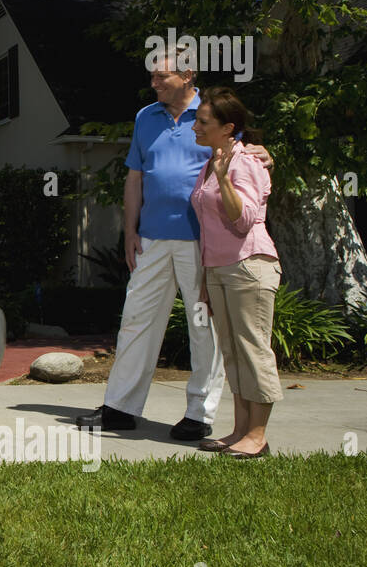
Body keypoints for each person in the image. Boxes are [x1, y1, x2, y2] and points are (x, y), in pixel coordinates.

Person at [77, 50, 272, 440]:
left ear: (188, 75)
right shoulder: (145, 117)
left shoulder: (211, 114)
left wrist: (266, 155)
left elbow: (250, 155)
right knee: (136, 320)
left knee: (204, 328)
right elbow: (135, 177)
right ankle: (121, 406)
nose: (154, 83)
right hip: (151, 236)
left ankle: (199, 414)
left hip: (202, 240)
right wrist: (129, 230)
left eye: (162, 76)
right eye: (152, 76)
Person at [190, 88, 282, 458]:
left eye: (202, 122)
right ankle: (240, 430)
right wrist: (206, 280)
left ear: (228, 128)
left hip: (249, 265)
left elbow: (242, 221)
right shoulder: (211, 162)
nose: (195, 127)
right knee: (232, 352)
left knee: (253, 350)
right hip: (220, 269)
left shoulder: (246, 163)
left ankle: (257, 436)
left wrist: (224, 179)